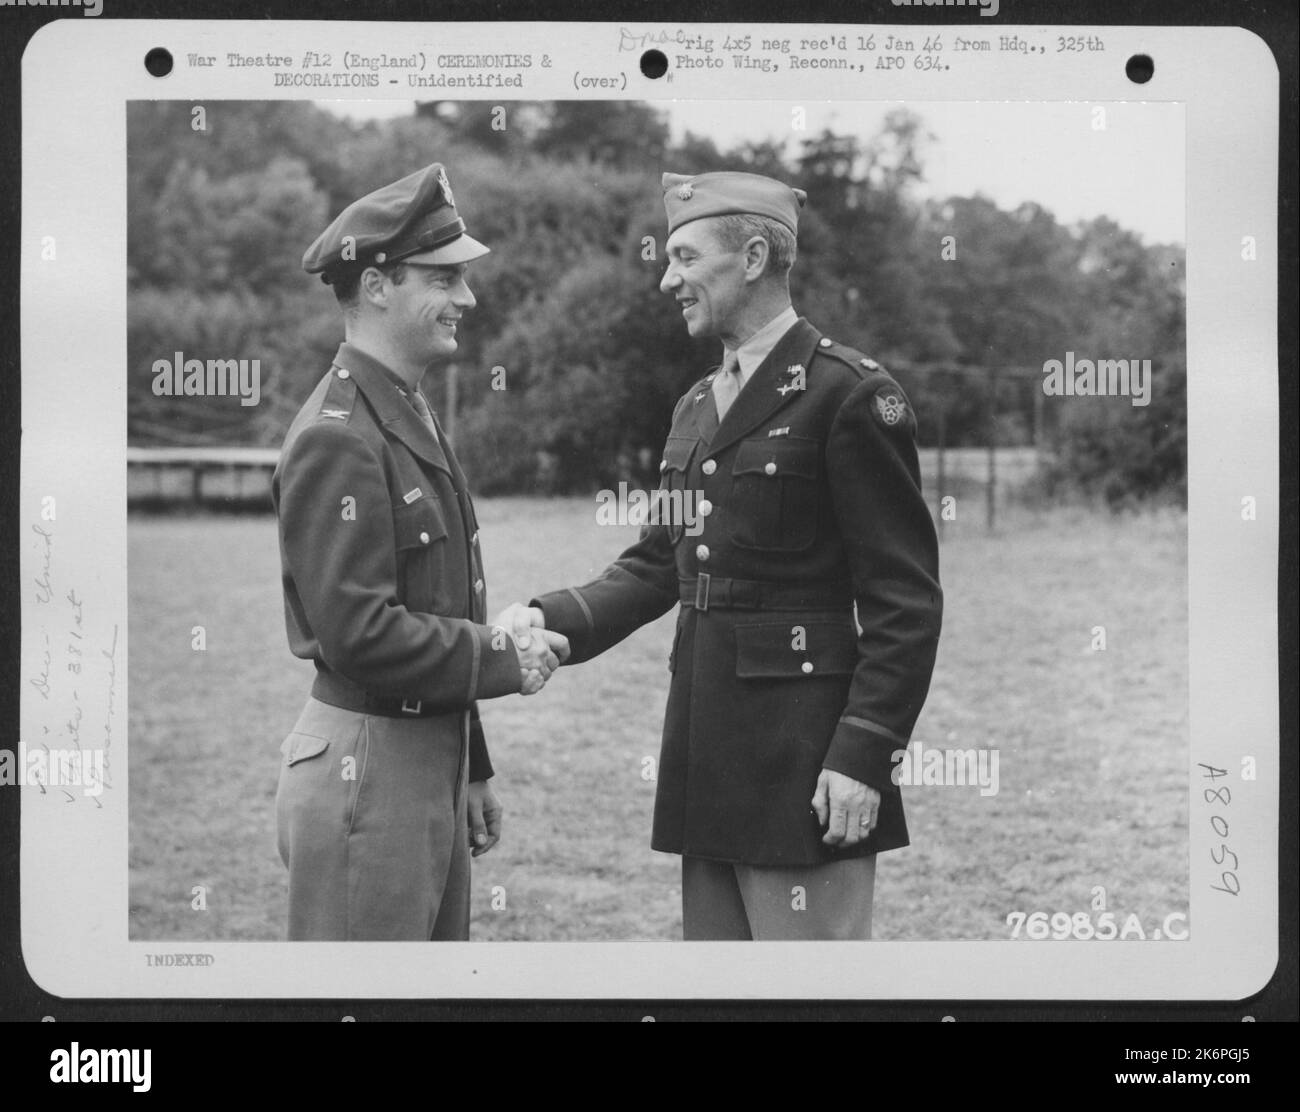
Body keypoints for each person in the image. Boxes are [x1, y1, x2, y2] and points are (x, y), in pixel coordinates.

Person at [502, 171, 942, 940]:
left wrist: (864, 754)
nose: (668, 278)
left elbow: (905, 601)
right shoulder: (696, 406)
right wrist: (548, 618)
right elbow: (652, 565)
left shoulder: (850, 396)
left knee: (811, 1003)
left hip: (806, 765)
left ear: (754, 257)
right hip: (705, 757)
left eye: (685, 256)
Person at [273, 162, 569, 941]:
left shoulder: (403, 409)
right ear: (376, 285)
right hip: (367, 766)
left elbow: (439, 605)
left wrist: (468, 763)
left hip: (421, 756)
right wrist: (502, 655)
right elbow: (362, 633)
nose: (467, 299)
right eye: (445, 279)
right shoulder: (339, 435)